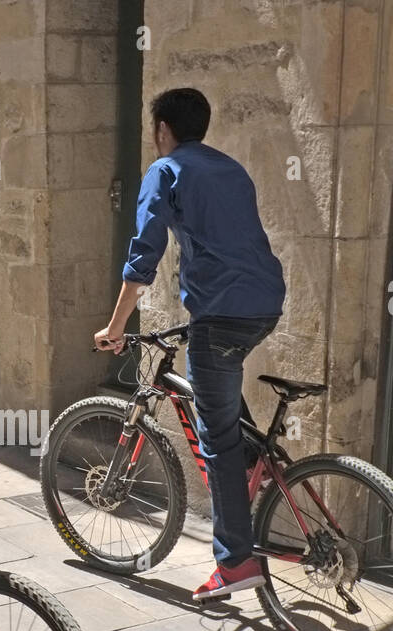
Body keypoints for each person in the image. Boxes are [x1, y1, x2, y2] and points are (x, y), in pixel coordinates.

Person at [95, 87, 286, 601]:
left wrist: (115, 328)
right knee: (221, 391)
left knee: (214, 436)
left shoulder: (166, 170)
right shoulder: (232, 168)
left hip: (220, 314)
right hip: (263, 304)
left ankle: (235, 563)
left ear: (163, 130)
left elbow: (143, 258)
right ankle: (253, 465)